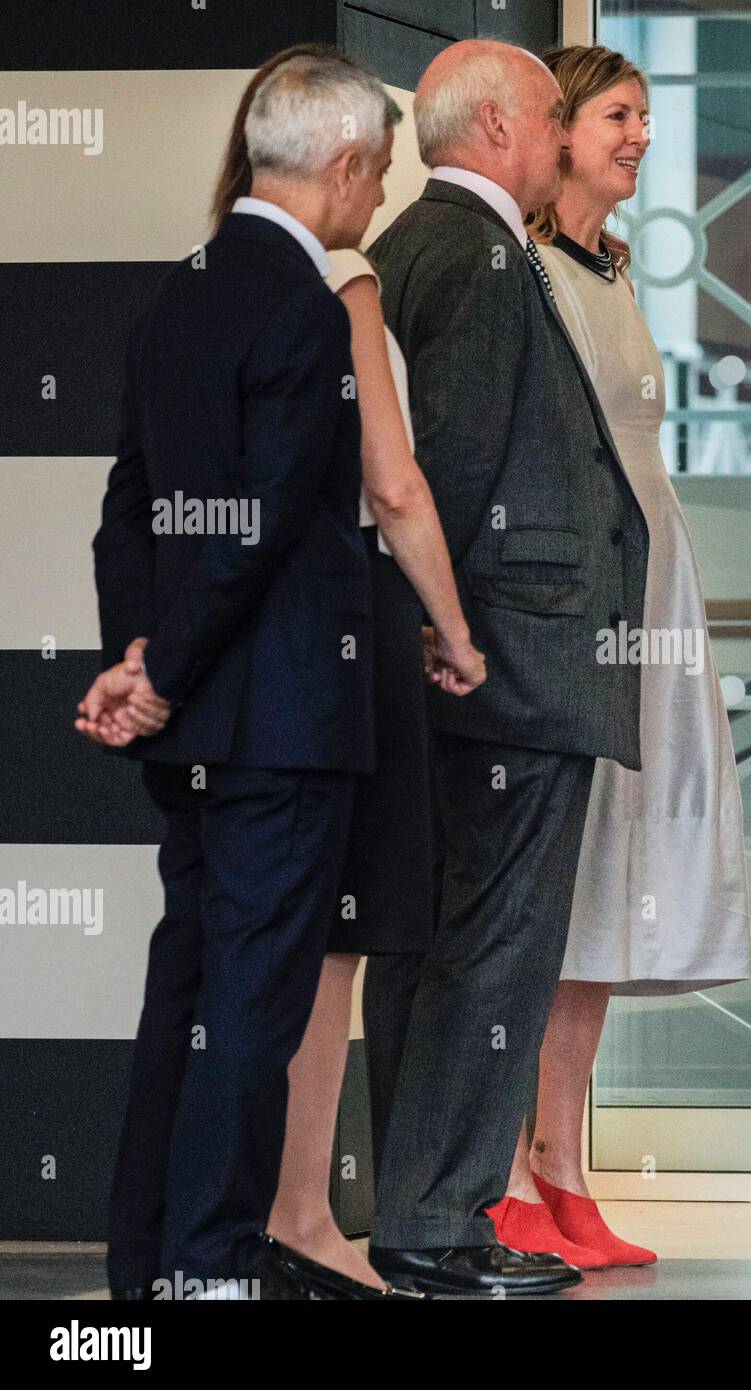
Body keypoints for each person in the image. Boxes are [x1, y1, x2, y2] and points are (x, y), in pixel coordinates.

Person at [78, 48, 394, 1299]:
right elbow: (262, 519)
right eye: (377, 174)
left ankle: (146, 1263)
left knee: (189, 989)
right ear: (347, 164)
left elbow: (130, 507)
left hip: (198, 714)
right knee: (253, 1006)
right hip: (282, 719)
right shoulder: (303, 304)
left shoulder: (180, 294)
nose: (374, 200)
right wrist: (169, 662)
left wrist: (140, 658)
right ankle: (211, 1267)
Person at [360, 39, 650, 1298]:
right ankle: (438, 1223)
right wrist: (459, 630)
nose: (557, 133)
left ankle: (427, 1207)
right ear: (493, 130)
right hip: (511, 660)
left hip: (489, 653)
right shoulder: (475, 254)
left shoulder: (426, 244)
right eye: (547, 114)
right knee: (493, 942)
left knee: (448, 937)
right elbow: (461, 467)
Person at [198, 45, 486, 1299]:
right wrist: (454, 626)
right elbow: (395, 480)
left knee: (269, 942)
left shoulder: (215, 271)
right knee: (329, 945)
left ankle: (262, 1214)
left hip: (252, 646)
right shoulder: (347, 276)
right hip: (346, 624)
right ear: (349, 160)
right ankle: (302, 1213)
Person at [479, 43, 751, 1271]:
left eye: (644, 116)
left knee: (608, 882)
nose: (639, 136)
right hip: (572, 608)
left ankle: (562, 1167)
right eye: (616, 115)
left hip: (651, 588)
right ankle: (495, 1177)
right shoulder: (520, 273)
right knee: (546, 889)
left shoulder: (611, 274)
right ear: (557, 130)